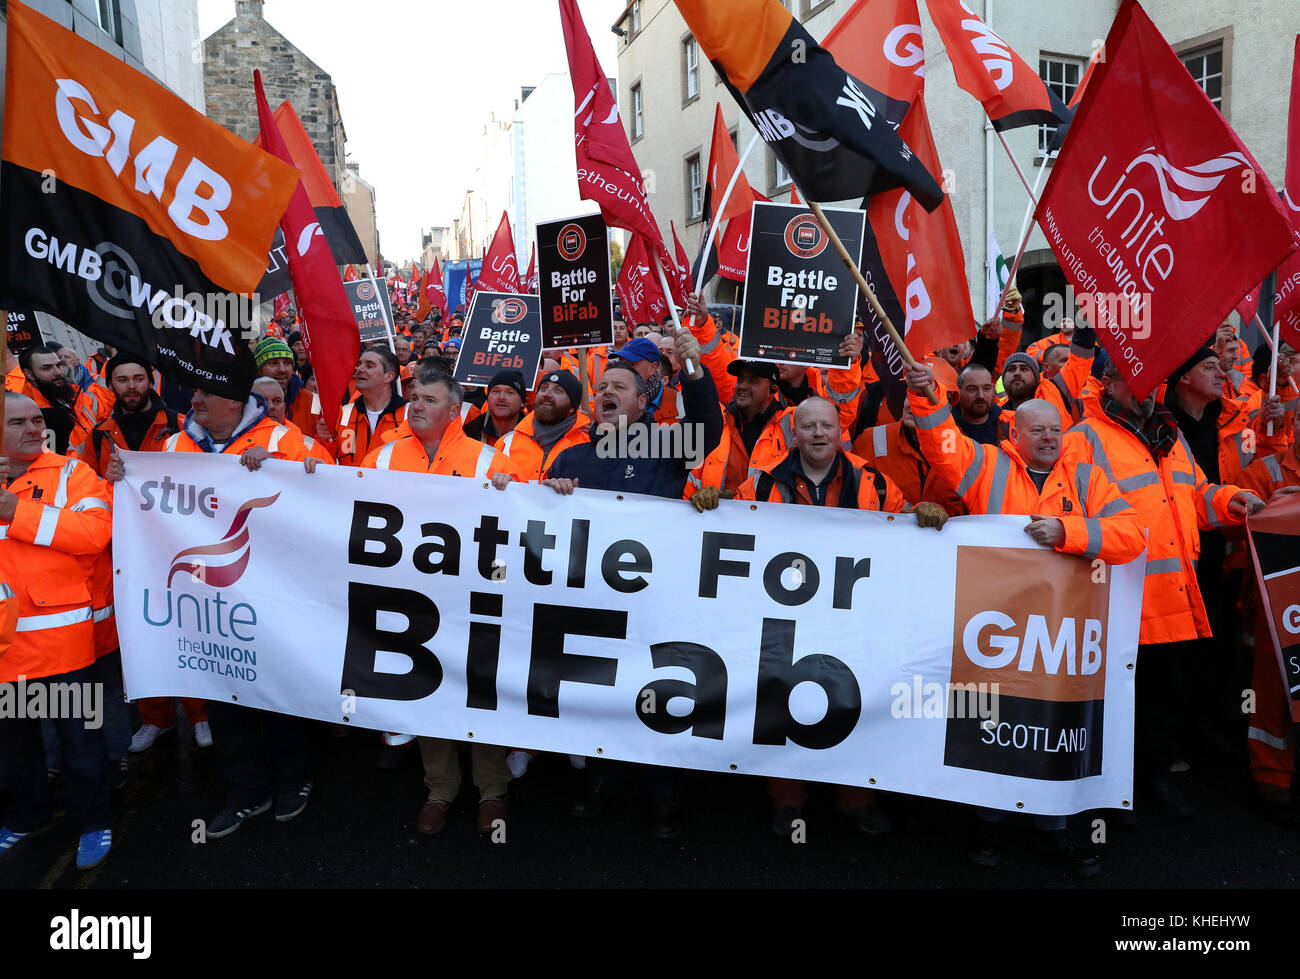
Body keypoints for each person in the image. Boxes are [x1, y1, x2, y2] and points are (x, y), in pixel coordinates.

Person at [905, 361, 1146, 874]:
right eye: (1037, 429)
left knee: (1051, 726)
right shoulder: (988, 465)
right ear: (1013, 430)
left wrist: (1068, 532)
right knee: (992, 722)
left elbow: (1133, 535)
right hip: (995, 629)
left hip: (1061, 635)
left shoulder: (1088, 477)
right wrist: (927, 396)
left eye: (1057, 429)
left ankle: (1053, 828)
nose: (1049, 437)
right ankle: (987, 823)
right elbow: (943, 447)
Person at [696, 396, 948, 836]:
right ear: (794, 433)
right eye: (808, 426)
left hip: (854, 618)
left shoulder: (874, 482)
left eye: (826, 426)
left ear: (839, 431)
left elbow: (903, 523)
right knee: (781, 705)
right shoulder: (762, 483)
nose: (817, 434)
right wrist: (712, 504)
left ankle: (856, 799)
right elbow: (732, 519)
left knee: (856, 703)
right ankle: (787, 799)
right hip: (785, 616)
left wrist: (921, 516)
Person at [539, 333, 721, 838]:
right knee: (598, 693)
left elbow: (707, 426)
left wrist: (694, 369)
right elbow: (540, 523)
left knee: (659, 692)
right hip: (593, 600)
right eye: (602, 387)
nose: (607, 392)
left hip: (654, 603)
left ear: (644, 402)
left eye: (620, 386)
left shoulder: (665, 445)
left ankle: (665, 795)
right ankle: (598, 780)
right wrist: (552, 493)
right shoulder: (572, 459)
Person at [152, 386, 316, 837]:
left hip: (273, 592)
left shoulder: (284, 438)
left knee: (279, 693)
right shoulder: (172, 444)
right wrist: (121, 476)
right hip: (209, 598)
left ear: (235, 402)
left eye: (206, 395)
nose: (195, 403)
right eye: (194, 395)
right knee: (225, 697)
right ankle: (245, 792)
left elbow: (328, 482)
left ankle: (293, 780)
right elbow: (146, 496)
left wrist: (282, 471)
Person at [361, 371, 506, 835]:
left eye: (429, 399)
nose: (416, 405)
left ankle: (492, 789)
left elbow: (519, 529)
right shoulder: (380, 458)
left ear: (456, 411)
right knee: (425, 686)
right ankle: (439, 788)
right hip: (410, 601)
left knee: (479, 690)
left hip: (471, 601)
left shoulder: (488, 461)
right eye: (414, 397)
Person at [0, 392, 115, 870]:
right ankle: (28, 817)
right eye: (18, 422)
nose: (33, 428)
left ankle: (94, 822)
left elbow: (95, 533)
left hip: (60, 644)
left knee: (80, 742)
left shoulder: (72, 472)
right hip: (5, 651)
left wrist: (15, 511)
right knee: (15, 748)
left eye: (36, 419)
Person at [80, 353, 207, 753]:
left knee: (190, 629)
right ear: (110, 383)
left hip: (176, 545)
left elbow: (206, 482)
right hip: (124, 552)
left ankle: (201, 714)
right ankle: (156, 718)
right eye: (123, 379)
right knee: (141, 632)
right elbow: (82, 489)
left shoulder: (180, 426)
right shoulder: (99, 433)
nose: (132, 386)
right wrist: (106, 480)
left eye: (138, 378)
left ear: (150, 380)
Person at [489, 369, 591, 483]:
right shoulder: (506, 443)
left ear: (572, 407)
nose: (547, 394)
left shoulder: (587, 444)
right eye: (543, 388)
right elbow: (487, 487)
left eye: (557, 390)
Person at [321, 346, 407, 466]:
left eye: (369, 366)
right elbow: (328, 463)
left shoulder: (410, 415)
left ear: (389, 376)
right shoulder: (342, 415)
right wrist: (324, 440)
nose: (360, 369)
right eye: (359, 364)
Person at [464, 370, 526, 446]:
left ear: (522, 402)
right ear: (488, 399)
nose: (501, 397)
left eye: (510, 392)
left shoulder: (535, 436)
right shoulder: (468, 435)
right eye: (496, 391)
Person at [952, 363, 1002, 445]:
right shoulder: (946, 426)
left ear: (993, 389)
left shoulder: (1009, 423)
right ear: (958, 390)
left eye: (986, 388)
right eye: (972, 389)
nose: (981, 395)